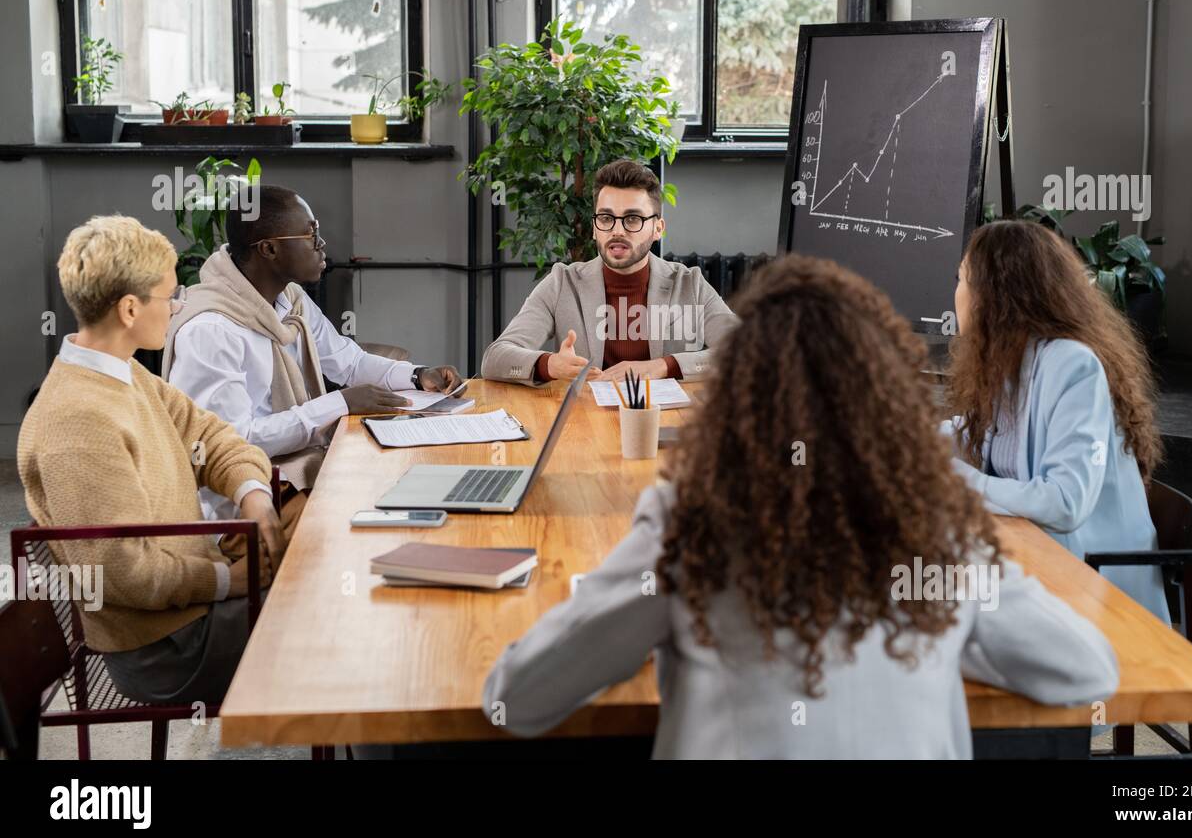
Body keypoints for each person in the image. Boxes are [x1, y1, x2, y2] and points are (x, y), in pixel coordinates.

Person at [481, 254, 1119, 758]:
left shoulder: (690, 520)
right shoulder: (939, 527)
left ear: (740, 393)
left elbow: (519, 697)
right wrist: (945, 628)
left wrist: (654, 634)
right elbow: (1085, 669)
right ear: (883, 393)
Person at [18, 215, 283, 704]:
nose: (178, 306)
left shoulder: (123, 374)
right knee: (330, 614)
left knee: (320, 582)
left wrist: (253, 493)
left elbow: (212, 434)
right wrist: (229, 580)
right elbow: (124, 573)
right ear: (129, 309)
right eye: (168, 297)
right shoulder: (76, 423)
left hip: (188, 617)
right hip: (166, 651)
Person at [163, 185, 463, 526]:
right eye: (310, 234)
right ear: (270, 249)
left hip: (293, 469)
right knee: (364, 510)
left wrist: (416, 375)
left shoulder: (290, 301)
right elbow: (233, 442)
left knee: (401, 482)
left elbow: (348, 361)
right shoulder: (211, 330)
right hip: (240, 508)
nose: (321, 245)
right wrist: (339, 404)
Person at [945, 219, 1171, 624]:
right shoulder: (1012, 361)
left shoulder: (1071, 364)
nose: (955, 292)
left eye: (961, 279)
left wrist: (955, 479)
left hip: (1099, 597)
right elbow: (981, 435)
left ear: (994, 295)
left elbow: (1064, 502)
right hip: (1049, 569)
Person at [481, 158, 738, 386]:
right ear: (594, 228)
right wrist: (549, 365)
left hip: (663, 423)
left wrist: (664, 366)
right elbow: (495, 358)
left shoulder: (688, 283)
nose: (617, 231)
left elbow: (745, 349)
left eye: (633, 219)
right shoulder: (562, 282)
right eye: (605, 218)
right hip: (586, 423)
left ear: (658, 229)